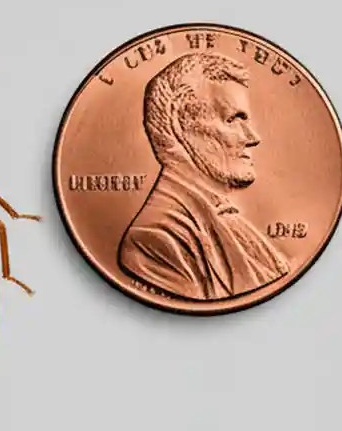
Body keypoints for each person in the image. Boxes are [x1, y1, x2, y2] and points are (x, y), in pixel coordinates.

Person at [117, 52, 289, 300]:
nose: (252, 137)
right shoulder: (154, 241)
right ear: (180, 125)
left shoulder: (230, 219)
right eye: (233, 120)